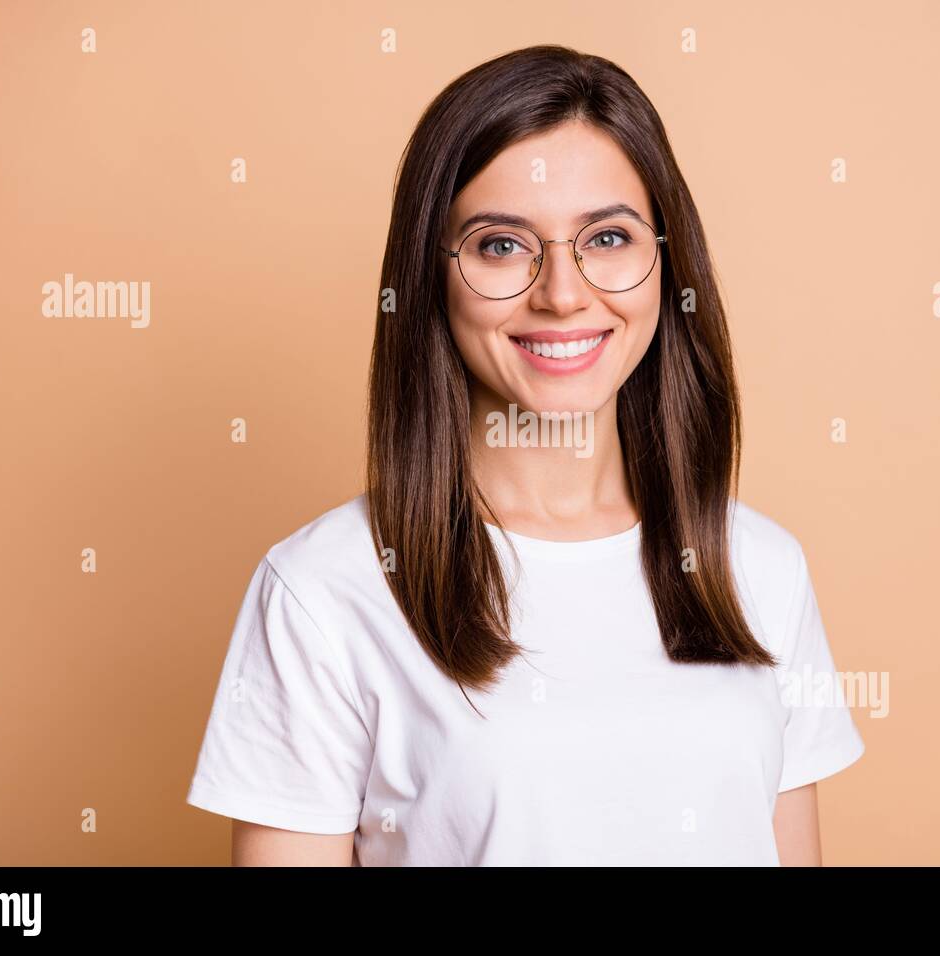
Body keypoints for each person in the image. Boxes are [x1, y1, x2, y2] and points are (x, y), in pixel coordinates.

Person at [186, 44, 865, 866]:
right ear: (431, 276)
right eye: (502, 245)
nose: (563, 293)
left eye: (607, 237)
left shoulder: (760, 568)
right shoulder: (323, 593)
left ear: (665, 260)